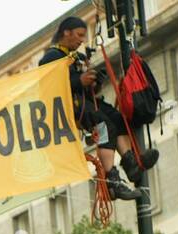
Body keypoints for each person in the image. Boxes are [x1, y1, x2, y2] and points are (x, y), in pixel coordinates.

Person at [38, 15, 156, 200]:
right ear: (66, 33)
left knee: (117, 118)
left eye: (84, 36)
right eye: (79, 35)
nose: (82, 40)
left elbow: (84, 83)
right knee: (105, 127)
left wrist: (94, 82)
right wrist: (79, 81)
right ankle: (113, 181)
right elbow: (50, 88)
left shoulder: (78, 57)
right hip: (73, 107)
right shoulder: (50, 58)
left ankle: (130, 161)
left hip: (88, 102)